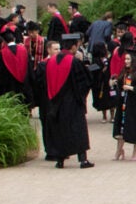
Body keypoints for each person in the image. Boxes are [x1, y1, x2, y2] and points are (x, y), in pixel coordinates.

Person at [32, 34, 94, 169]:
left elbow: (43, 83)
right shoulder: (74, 62)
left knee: (60, 130)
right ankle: (83, 160)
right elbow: (84, 82)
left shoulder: (49, 63)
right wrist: (81, 98)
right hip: (72, 103)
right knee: (77, 130)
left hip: (55, 102)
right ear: (73, 47)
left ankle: (60, 160)